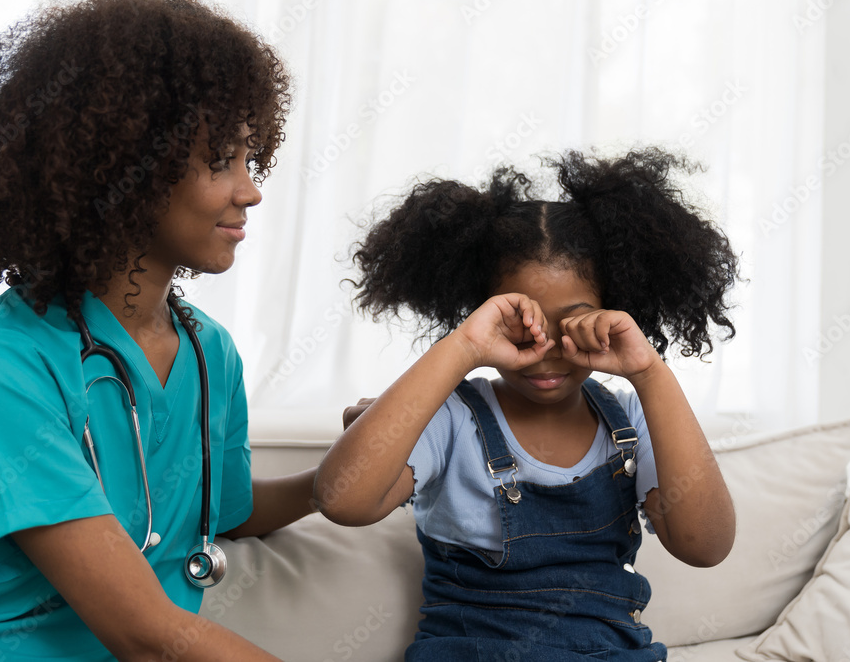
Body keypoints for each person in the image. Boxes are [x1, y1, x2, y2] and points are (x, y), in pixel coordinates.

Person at [0, 0, 311, 659]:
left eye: (251, 159)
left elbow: (223, 508)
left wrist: (328, 482)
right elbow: (148, 634)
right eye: (222, 160)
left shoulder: (210, 352)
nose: (251, 191)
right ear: (129, 167)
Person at [315, 149, 740, 660]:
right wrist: (463, 348)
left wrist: (650, 372)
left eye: (576, 322)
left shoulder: (631, 419)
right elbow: (342, 500)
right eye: (519, 322)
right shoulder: (450, 419)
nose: (547, 349)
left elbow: (706, 546)